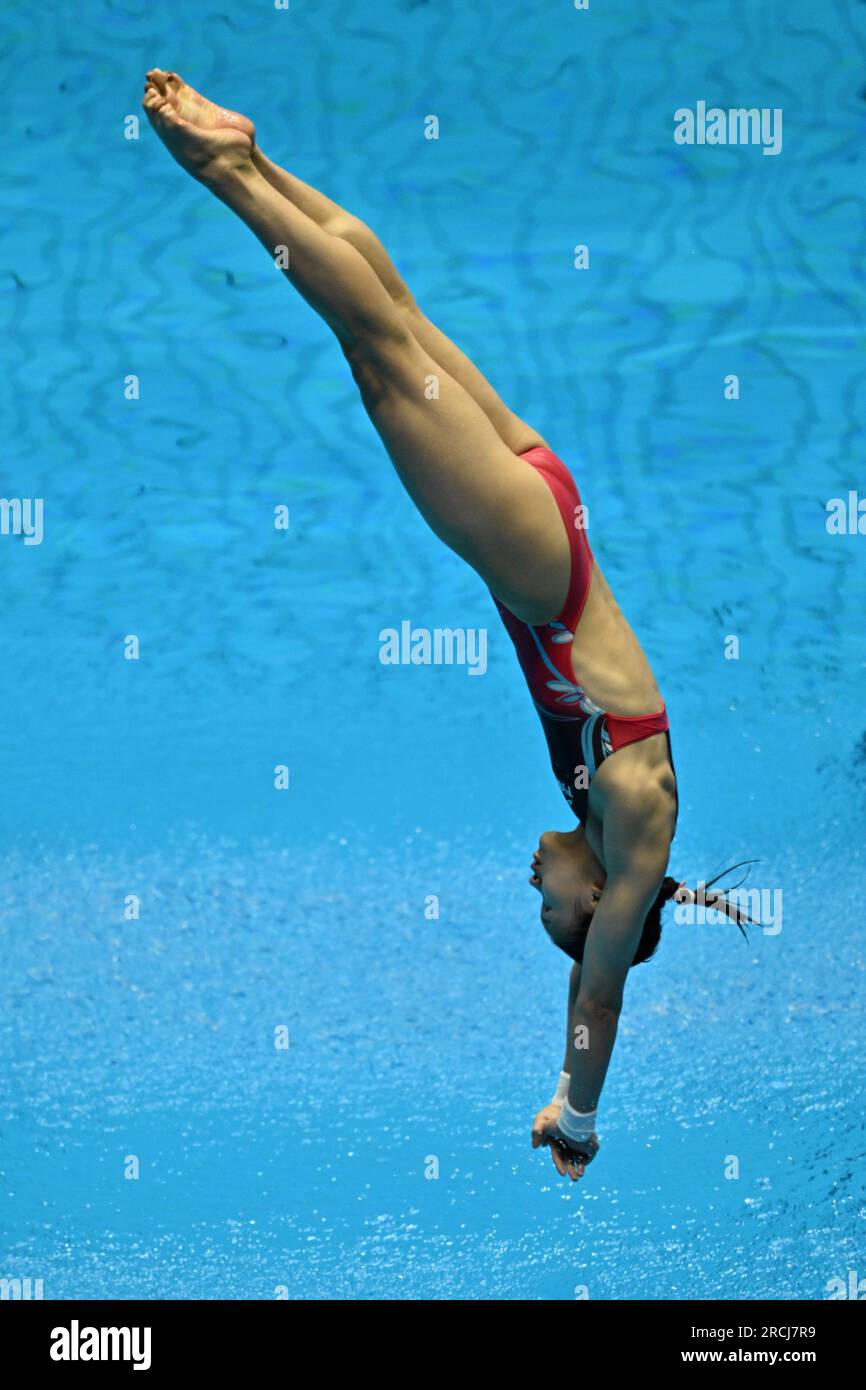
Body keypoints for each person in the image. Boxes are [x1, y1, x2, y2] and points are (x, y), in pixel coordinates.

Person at [142, 69, 755, 1184]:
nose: (533, 886)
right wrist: (573, 1116)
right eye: (548, 908)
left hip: (542, 508)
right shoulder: (633, 839)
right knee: (379, 356)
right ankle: (225, 171)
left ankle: (256, 156)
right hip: (531, 560)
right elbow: (600, 990)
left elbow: (589, 975)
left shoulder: (621, 831)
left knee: (396, 320)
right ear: (593, 908)